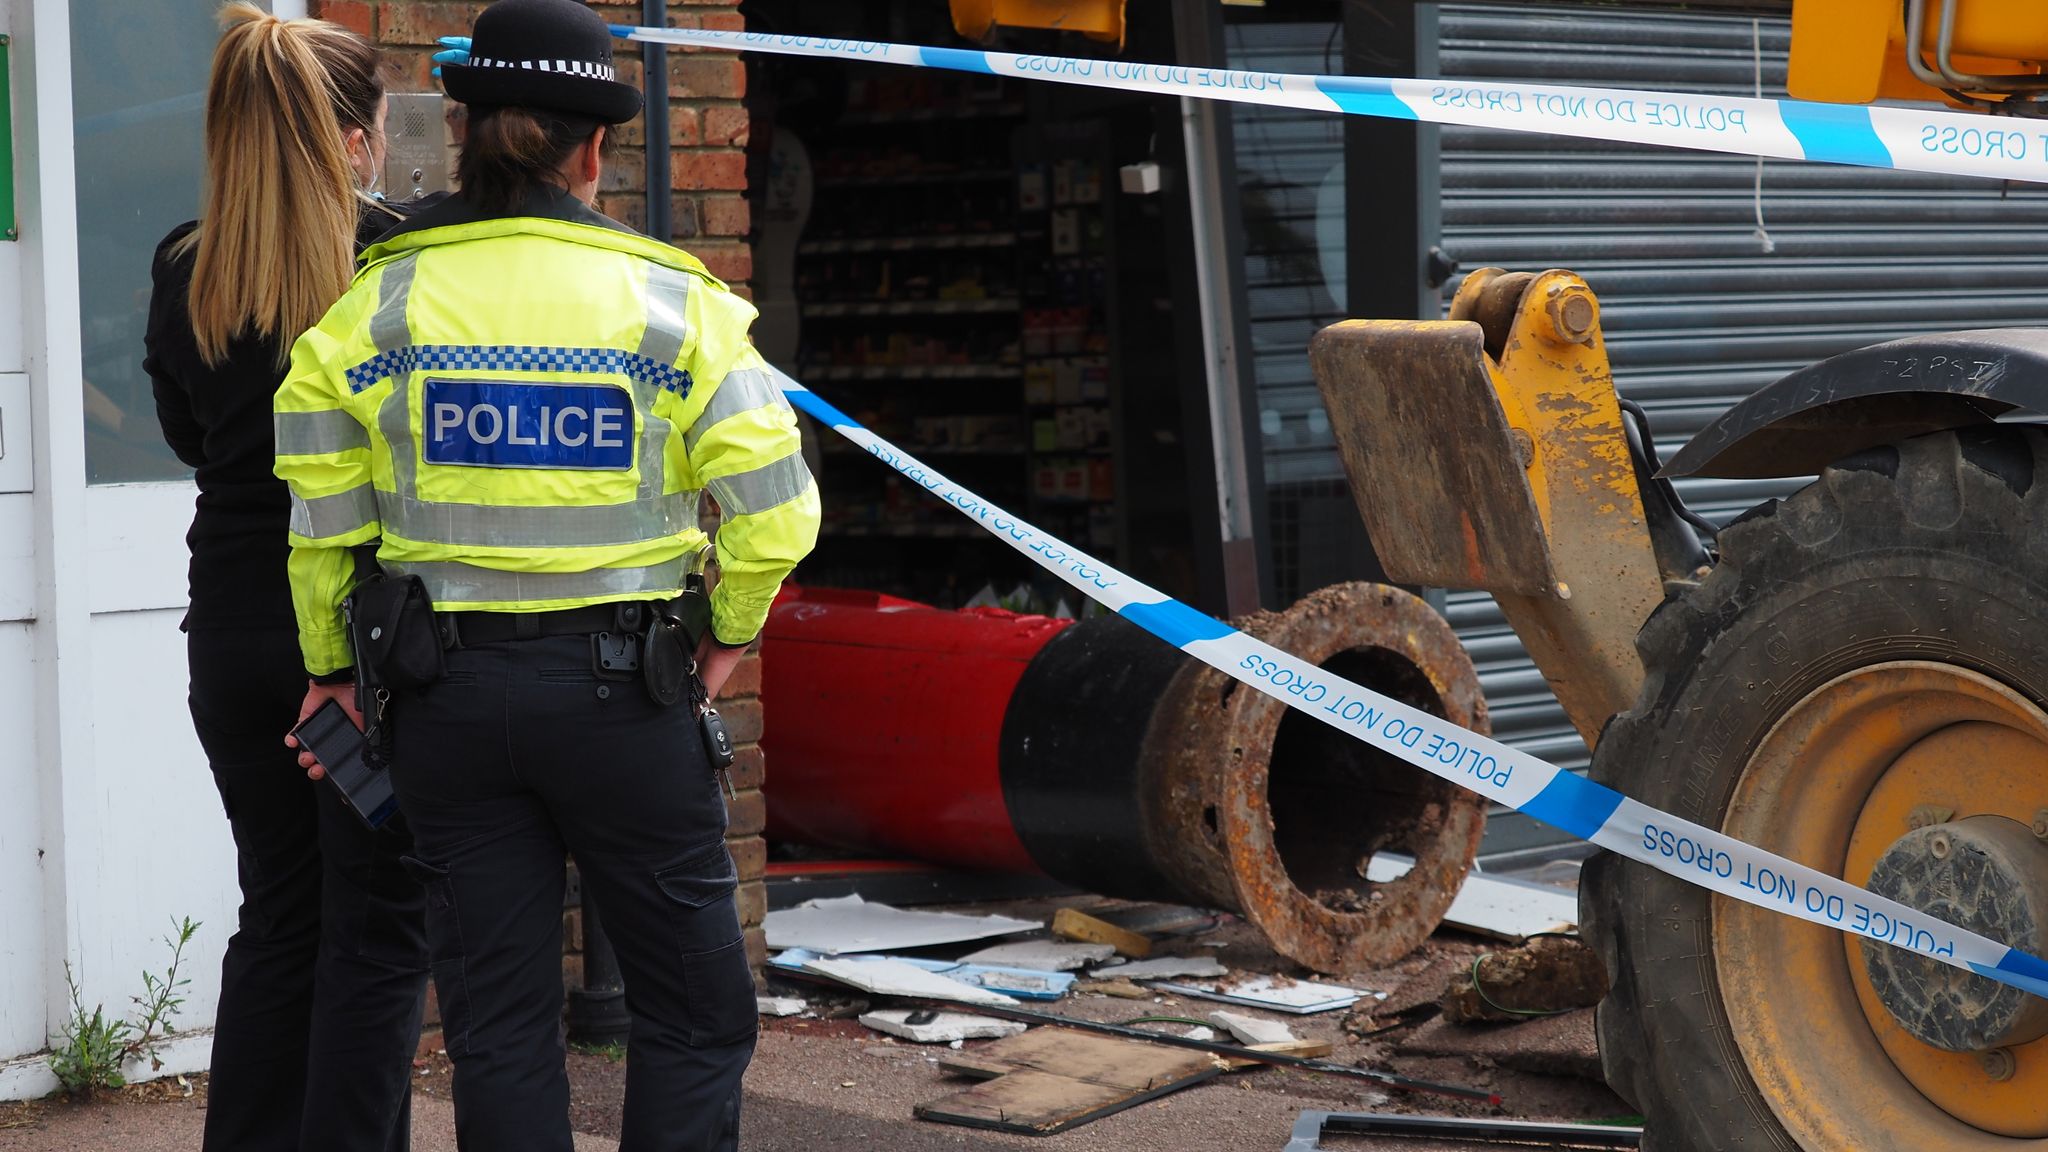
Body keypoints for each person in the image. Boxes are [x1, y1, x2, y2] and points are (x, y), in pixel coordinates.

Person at [273, 1, 820, 1148]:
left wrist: (331, 667)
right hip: (629, 702)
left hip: (445, 710)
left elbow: (320, 525)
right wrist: (724, 636)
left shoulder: (376, 308)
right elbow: (777, 513)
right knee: (692, 1013)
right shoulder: (675, 308)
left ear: (466, 132)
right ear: (593, 150)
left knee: (498, 1028)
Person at [144, 7, 429, 1152]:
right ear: (356, 138)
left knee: (279, 916)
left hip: (232, 638)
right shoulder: (395, 263)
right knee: (377, 924)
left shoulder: (183, 268)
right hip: (358, 651)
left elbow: (184, 434)